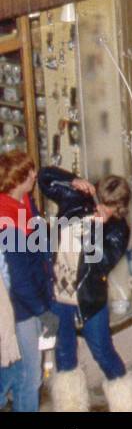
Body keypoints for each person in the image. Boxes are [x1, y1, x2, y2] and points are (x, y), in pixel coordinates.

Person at [41, 169, 132, 411]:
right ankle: (70, 406)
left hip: (89, 299)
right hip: (58, 295)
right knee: (64, 355)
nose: (100, 209)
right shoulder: (76, 201)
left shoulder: (118, 230)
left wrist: (95, 233)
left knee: (103, 352)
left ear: (119, 208)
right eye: (100, 202)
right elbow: (44, 178)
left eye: (108, 207)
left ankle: (127, 405)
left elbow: (101, 263)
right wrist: (71, 180)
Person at [0, 151, 50, 412]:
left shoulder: (24, 203)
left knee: (15, 370)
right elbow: (19, 280)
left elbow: (40, 248)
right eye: (30, 172)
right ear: (18, 178)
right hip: (21, 310)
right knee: (31, 377)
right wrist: (44, 310)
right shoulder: (8, 220)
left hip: (27, 303)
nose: (35, 175)